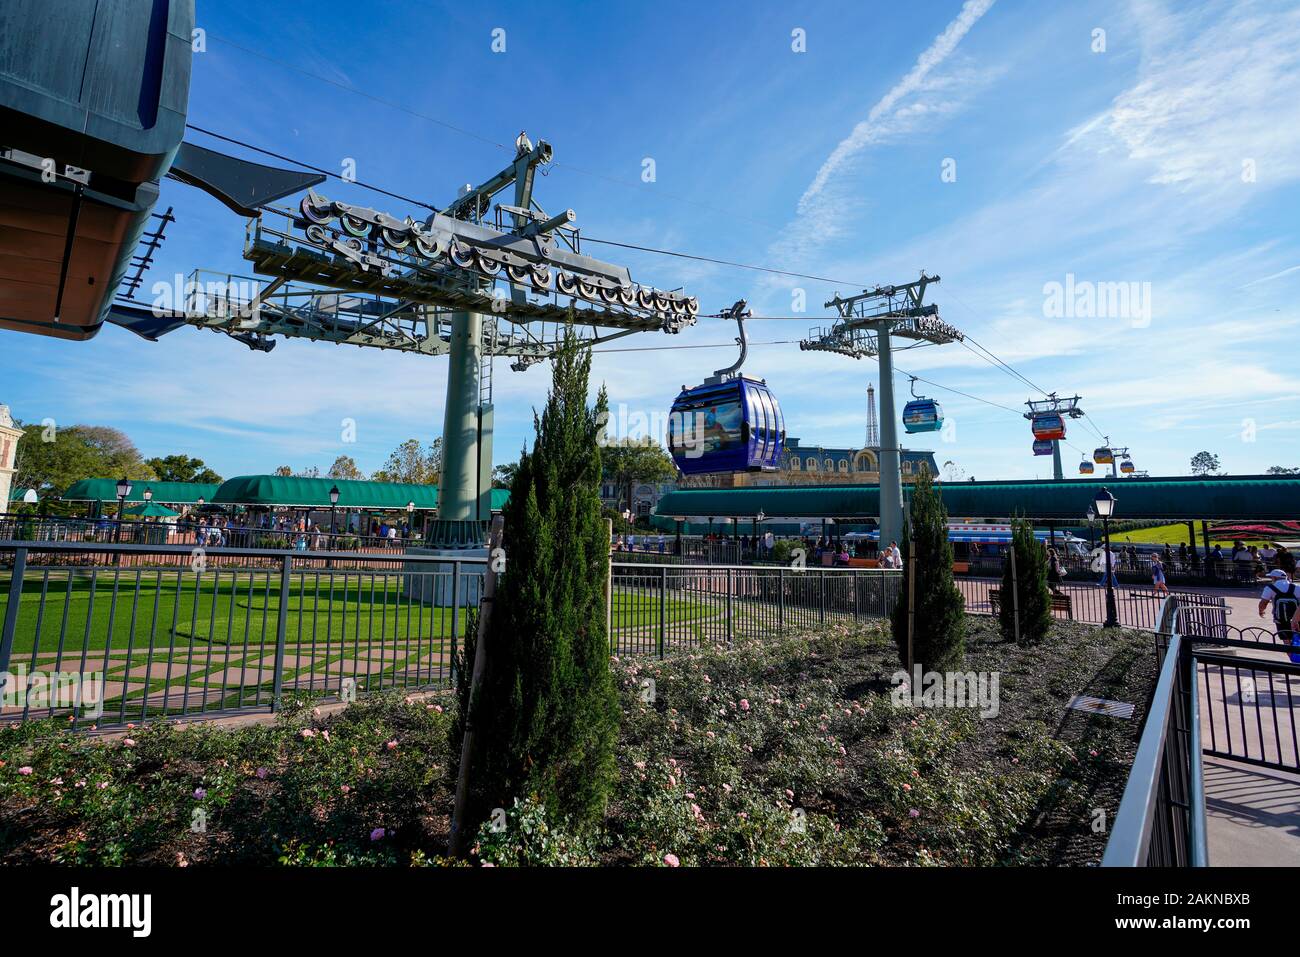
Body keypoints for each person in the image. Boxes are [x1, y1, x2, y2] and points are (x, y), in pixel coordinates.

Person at [1259, 569, 1300, 663]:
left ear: (1274, 578)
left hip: (1280, 620)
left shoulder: (1270, 588)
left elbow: (1263, 602)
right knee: (1298, 638)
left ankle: (1294, 661)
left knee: (1286, 642)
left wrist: (1261, 611)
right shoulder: (1296, 587)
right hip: (1297, 619)